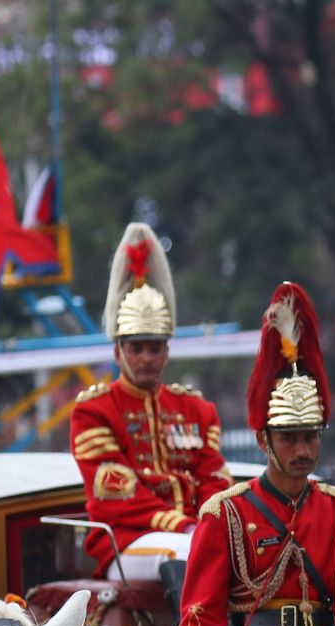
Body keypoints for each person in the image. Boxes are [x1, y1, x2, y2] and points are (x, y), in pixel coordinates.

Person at [173, 283, 335, 626]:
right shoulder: (225, 515)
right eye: (289, 438)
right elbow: (202, 616)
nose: (303, 450)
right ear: (262, 439)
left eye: (311, 436)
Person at [69, 222, 230, 589]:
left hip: (195, 532)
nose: (146, 358)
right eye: (136, 348)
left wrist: (210, 524)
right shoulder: (94, 411)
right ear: (117, 352)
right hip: (126, 543)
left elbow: (215, 480)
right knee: (187, 550)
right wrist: (186, 527)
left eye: (154, 348)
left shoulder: (198, 410)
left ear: (167, 352)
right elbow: (119, 496)